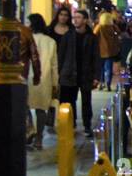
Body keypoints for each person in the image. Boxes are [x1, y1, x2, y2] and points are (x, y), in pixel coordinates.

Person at [55, 8, 97, 134]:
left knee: (86, 101)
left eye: (78, 17)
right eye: (75, 18)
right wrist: (58, 72)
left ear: (85, 20)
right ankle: (70, 124)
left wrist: (96, 76)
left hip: (85, 74)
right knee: (68, 100)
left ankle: (87, 125)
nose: (75, 20)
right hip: (69, 73)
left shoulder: (91, 37)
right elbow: (61, 55)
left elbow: (96, 57)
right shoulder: (68, 36)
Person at [28, 13, 59, 149]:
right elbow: (54, 65)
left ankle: (29, 132)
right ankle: (39, 138)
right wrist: (55, 83)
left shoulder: (26, 39)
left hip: (28, 77)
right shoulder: (50, 41)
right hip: (44, 78)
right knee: (41, 109)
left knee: (25, 107)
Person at [95, 10, 121, 89]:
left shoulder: (99, 27)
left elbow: (94, 34)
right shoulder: (112, 27)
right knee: (109, 68)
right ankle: (108, 84)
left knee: (101, 68)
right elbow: (119, 32)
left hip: (100, 50)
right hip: (110, 51)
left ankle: (101, 83)